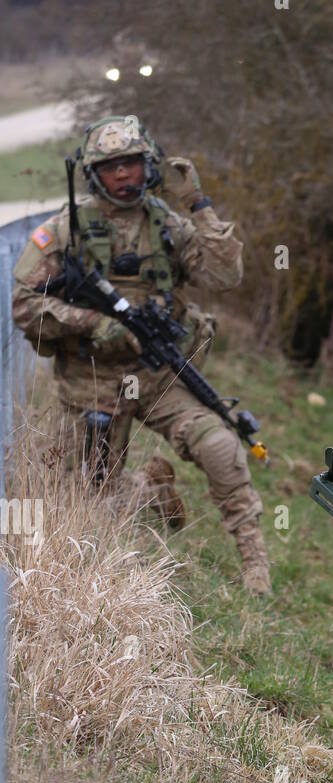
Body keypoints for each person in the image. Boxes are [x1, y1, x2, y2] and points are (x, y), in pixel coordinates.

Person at [12, 113, 271, 594]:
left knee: (220, 444)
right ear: (93, 173)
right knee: (89, 506)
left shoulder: (166, 224)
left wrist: (198, 202)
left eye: (132, 163)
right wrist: (95, 324)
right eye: (112, 167)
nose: (124, 175)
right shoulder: (65, 230)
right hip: (90, 382)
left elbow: (226, 276)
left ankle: (255, 564)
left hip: (159, 376)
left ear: (147, 165)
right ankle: (147, 490)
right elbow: (24, 305)